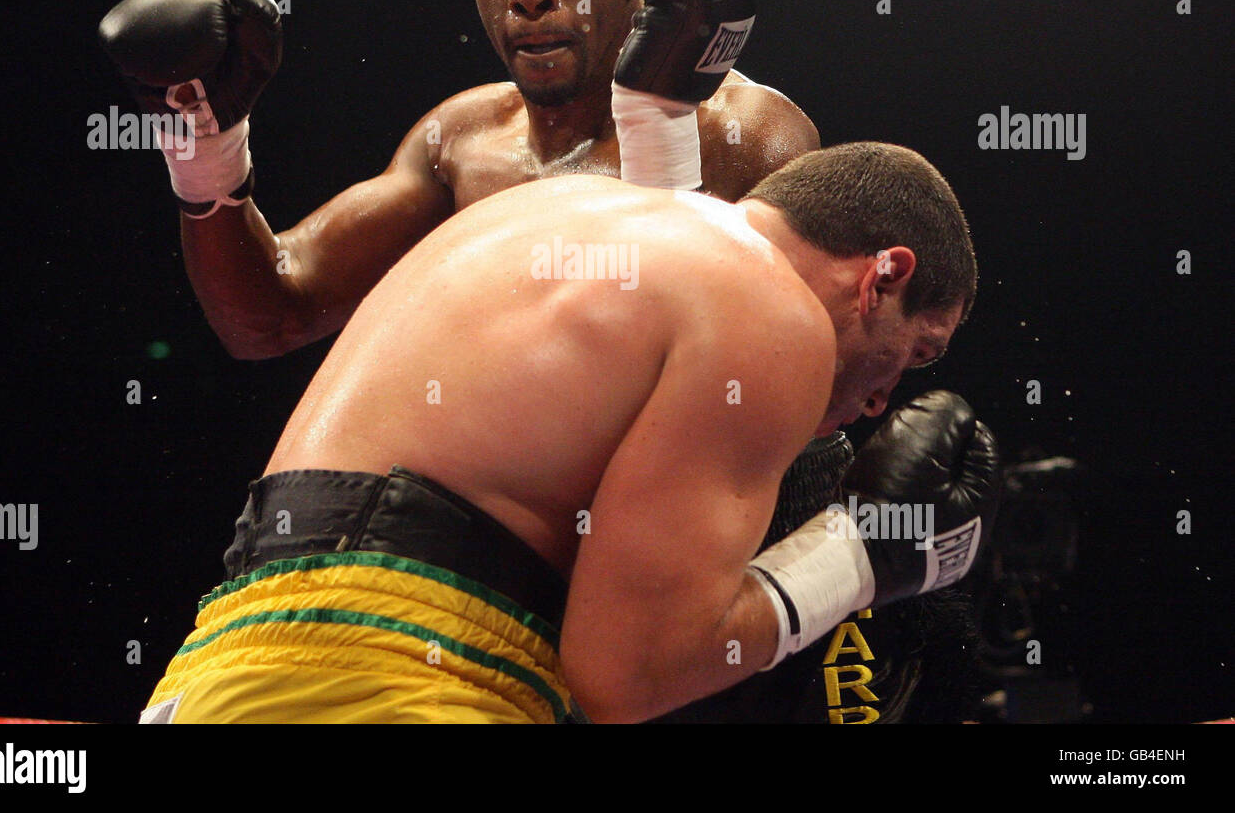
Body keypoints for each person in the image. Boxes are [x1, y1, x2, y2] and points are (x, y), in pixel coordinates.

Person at [103, 0, 982, 723]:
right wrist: (203, 147)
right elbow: (268, 316)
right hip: (464, 620)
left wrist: (657, 117)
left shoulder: (744, 131)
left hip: (648, 546)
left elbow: (717, 356)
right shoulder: (460, 141)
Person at [140, 141, 999, 723]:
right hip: (400, 685)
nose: (886, 400)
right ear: (884, 276)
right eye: (914, 354)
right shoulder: (771, 310)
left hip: (219, 670)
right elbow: (627, 674)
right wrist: (858, 557)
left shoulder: (550, 214)